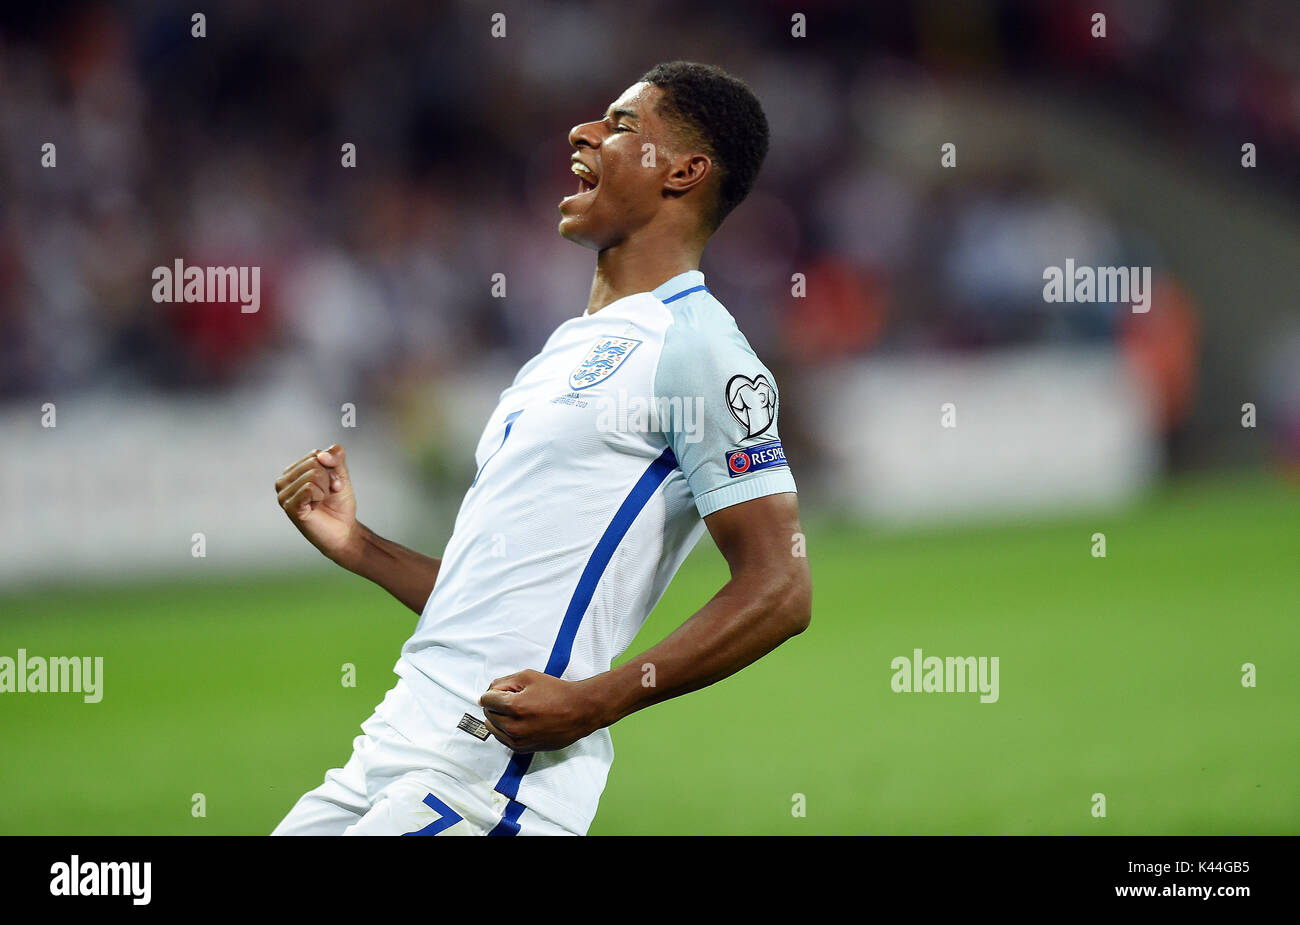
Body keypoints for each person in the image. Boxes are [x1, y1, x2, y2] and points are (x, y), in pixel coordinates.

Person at [271, 61, 811, 836]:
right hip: (393, 742)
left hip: (491, 776)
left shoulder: (698, 348)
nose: (581, 133)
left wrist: (596, 701)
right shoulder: (562, 349)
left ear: (683, 172)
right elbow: (494, 599)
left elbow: (781, 587)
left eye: (621, 126)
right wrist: (361, 546)